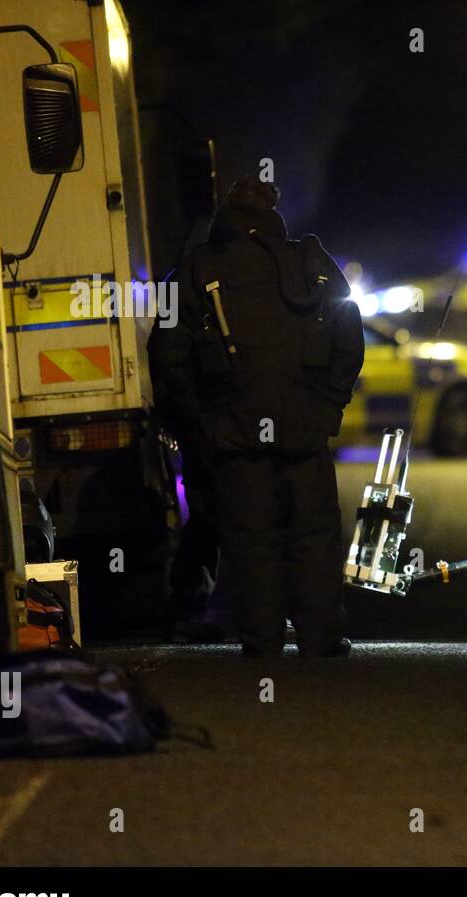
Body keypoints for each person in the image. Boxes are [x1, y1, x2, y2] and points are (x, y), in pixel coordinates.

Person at [149, 176, 364, 657]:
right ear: (273, 211)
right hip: (305, 428)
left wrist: (197, 424)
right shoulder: (311, 263)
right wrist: (328, 405)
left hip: (232, 432)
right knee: (313, 533)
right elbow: (350, 336)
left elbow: (168, 357)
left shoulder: (192, 270)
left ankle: (262, 642)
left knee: (251, 539)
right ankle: (321, 638)